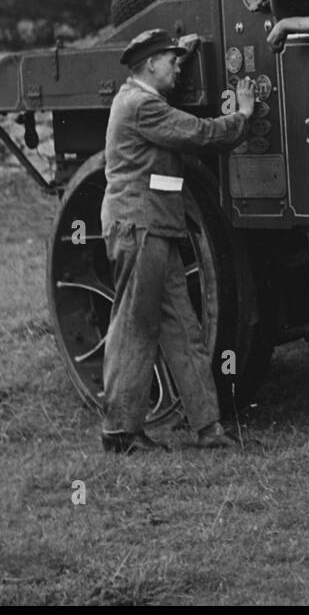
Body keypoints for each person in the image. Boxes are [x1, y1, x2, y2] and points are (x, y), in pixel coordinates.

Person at [99, 27, 255, 453]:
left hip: (157, 227)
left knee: (183, 330)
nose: (178, 68)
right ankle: (119, 431)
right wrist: (242, 117)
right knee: (136, 326)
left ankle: (208, 428)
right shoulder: (141, 106)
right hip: (141, 228)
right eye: (171, 62)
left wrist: (181, 48)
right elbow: (200, 133)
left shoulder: (139, 98)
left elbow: (169, 73)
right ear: (150, 65)